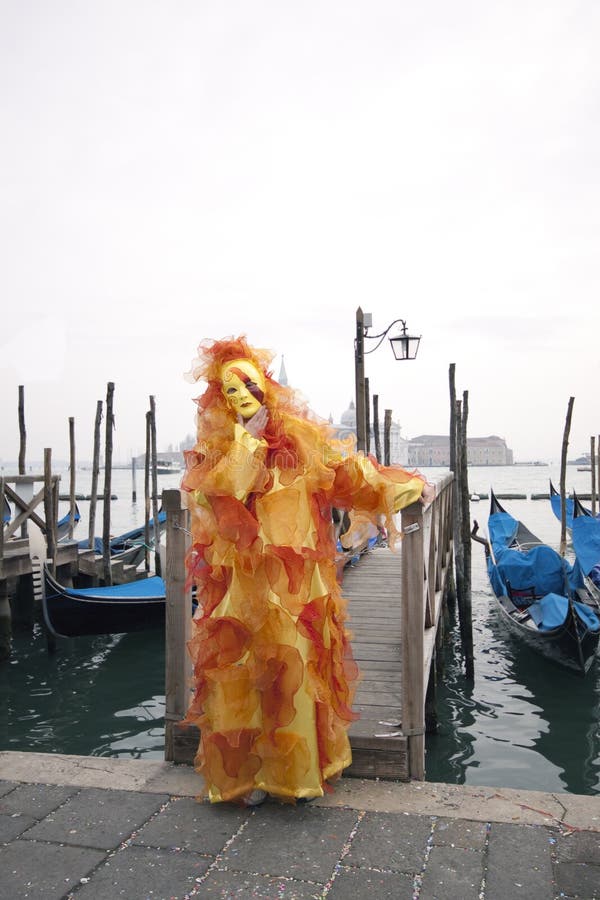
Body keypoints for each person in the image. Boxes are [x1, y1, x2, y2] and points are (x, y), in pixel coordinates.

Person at [181, 336, 434, 806]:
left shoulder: (300, 436)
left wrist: (406, 488)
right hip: (242, 582)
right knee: (242, 672)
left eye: (249, 386)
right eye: (230, 390)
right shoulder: (217, 448)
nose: (242, 397)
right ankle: (250, 773)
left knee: (293, 672)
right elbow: (215, 496)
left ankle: (292, 773)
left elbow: (347, 476)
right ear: (219, 396)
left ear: (265, 386)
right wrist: (247, 443)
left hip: (297, 586)